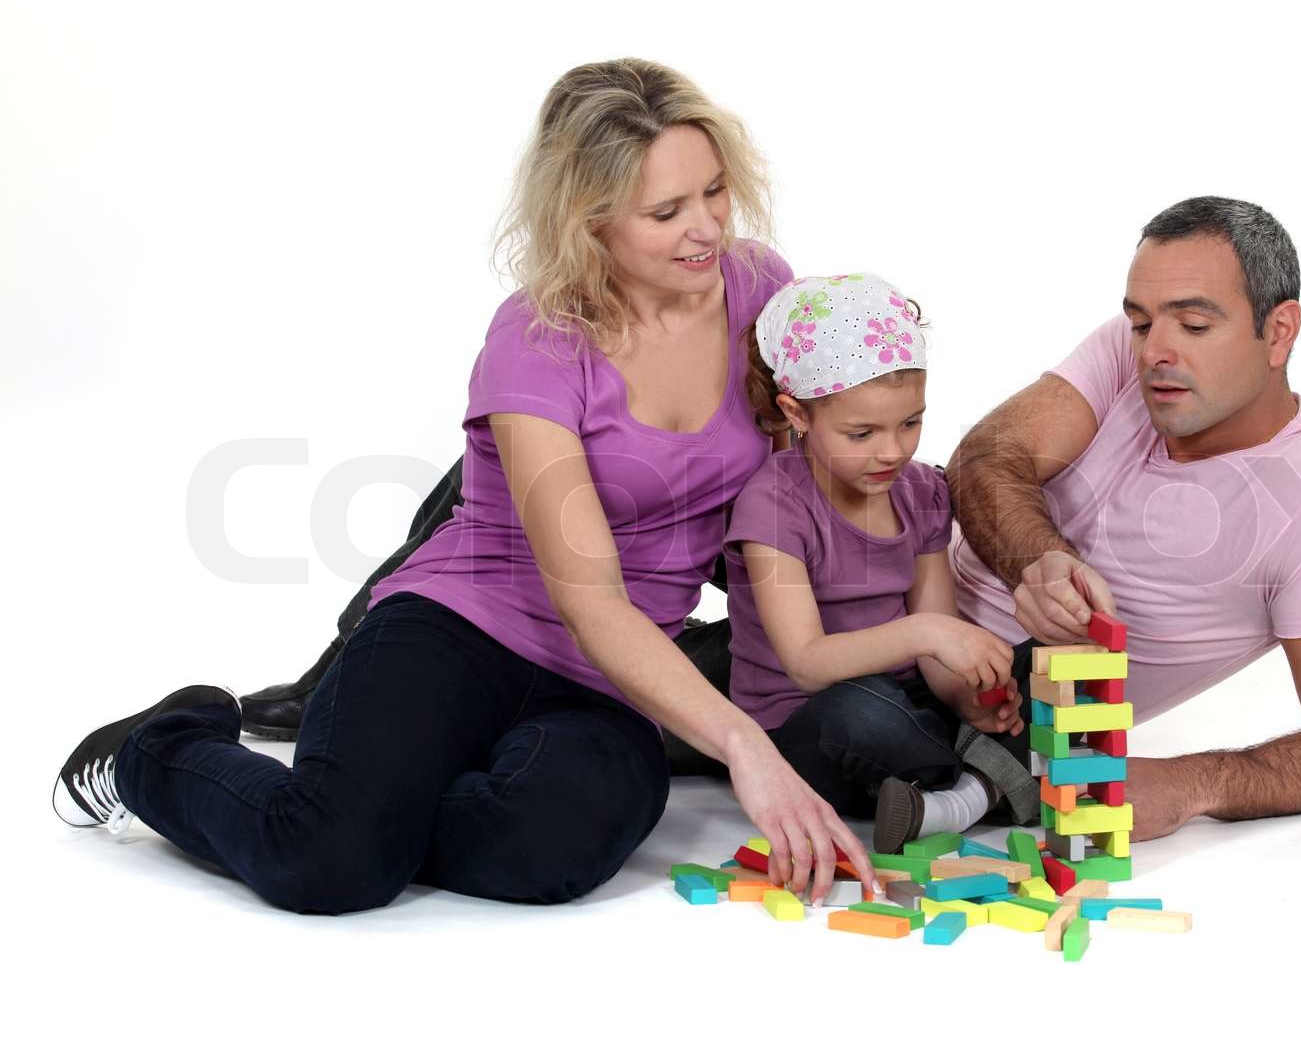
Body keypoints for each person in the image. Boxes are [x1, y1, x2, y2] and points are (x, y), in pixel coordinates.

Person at [51, 57, 878, 913]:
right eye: (666, 211)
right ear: (589, 222)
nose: (706, 228)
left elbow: (781, 489)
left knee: (552, 853)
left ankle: (371, 812)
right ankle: (164, 747)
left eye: (714, 192)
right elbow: (590, 600)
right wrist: (745, 745)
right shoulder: (539, 337)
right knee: (328, 863)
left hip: (611, 681)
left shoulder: (760, 291)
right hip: (460, 629)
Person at [945, 196, 1301, 840]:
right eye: (1140, 322)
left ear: (1278, 332)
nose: (1154, 350)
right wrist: (1034, 563)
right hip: (876, 605)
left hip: (995, 722)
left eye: (1193, 325)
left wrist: (1195, 782)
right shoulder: (1127, 355)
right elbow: (987, 454)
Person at [720, 273, 1034, 855]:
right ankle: (986, 783)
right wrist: (932, 633)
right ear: (798, 413)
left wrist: (968, 696)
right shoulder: (773, 504)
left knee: (1039, 661)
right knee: (861, 713)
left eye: (910, 422)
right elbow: (808, 663)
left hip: (910, 703)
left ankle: (945, 793)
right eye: (861, 433)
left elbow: (934, 655)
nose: (892, 451)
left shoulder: (918, 492)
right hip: (807, 723)